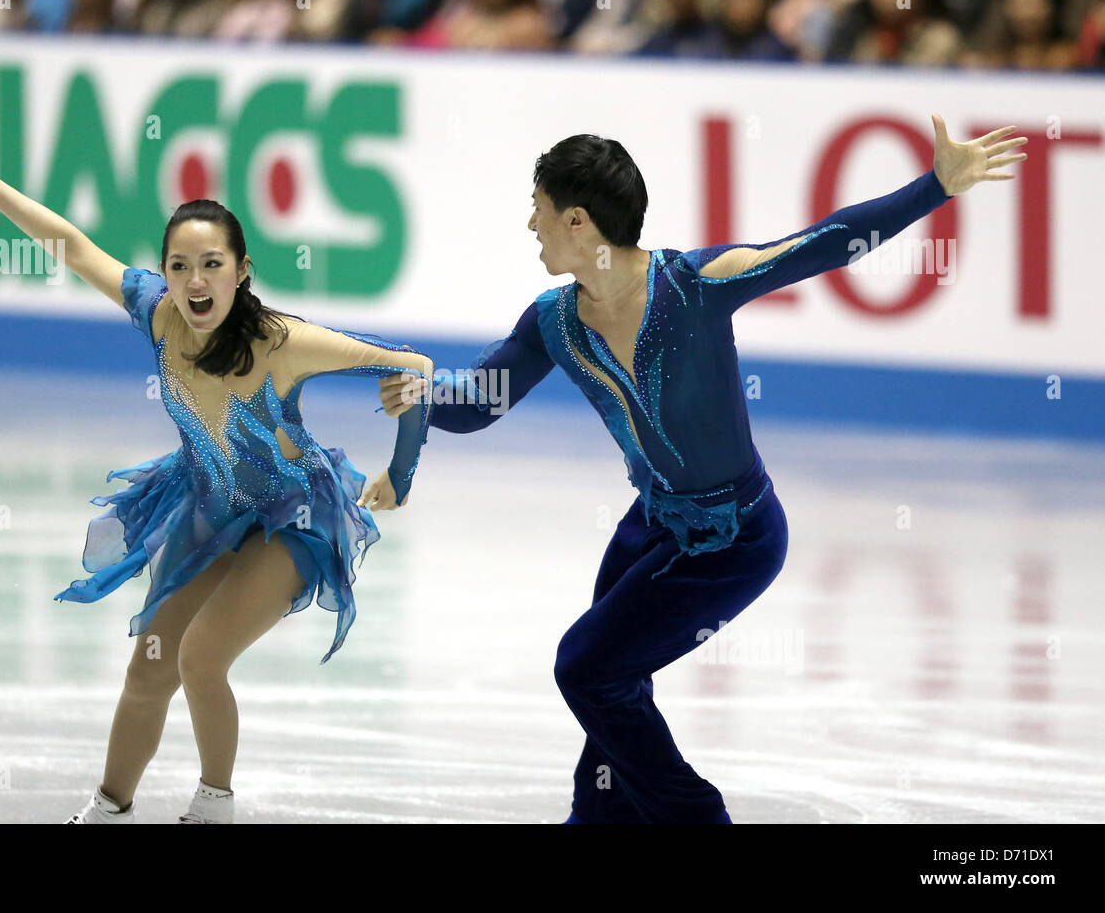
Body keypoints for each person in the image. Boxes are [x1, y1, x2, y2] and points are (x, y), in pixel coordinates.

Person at [379, 115, 1026, 823]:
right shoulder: (553, 322)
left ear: (577, 220)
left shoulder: (695, 284)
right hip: (650, 527)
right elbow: (482, 403)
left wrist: (937, 185)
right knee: (614, 679)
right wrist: (425, 399)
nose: (530, 224)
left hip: (737, 539)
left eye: (537, 208)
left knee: (588, 668)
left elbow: (827, 244)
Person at [0, 124, 434, 824]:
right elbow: (71, 246)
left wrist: (400, 474)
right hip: (208, 507)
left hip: (292, 518)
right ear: (164, 273)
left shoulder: (281, 343)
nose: (196, 281)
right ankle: (110, 808)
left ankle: (214, 804)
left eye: (212, 264)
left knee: (200, 657)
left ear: (242, 270)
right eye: (181, 265)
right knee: (150, 667)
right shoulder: (156, 313)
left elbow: (415, 368)